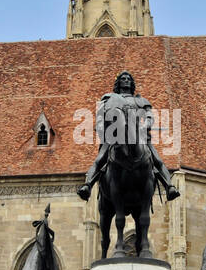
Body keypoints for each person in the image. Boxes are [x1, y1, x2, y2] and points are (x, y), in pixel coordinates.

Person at [77, 71, 180, 202]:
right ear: (118, 82)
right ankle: (88, 186)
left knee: (158, 160)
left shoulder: (140, 101)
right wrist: (103, 130)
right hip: (114, 137)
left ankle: (169, 187)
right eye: (123, 78)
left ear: (132, 83)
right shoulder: (109, 98)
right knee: (99, 160)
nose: (126, 80)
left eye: (128, 79)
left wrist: (145, 126)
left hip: (139, 136)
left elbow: (150, 116)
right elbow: (100, 116)